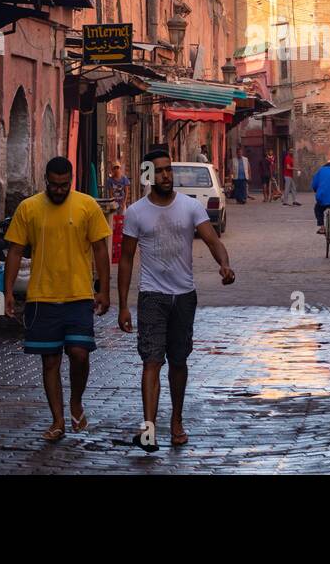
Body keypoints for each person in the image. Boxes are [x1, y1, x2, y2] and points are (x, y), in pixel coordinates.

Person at [118, 150, 235, 451]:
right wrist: (121, 305)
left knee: (179, 361)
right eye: (158, 171)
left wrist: (224, 263)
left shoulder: (191, 207)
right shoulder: (135, 212)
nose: (166, 175)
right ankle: (149, 428)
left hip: (184, 296)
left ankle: (177, 421)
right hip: (152, 297)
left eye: (168, 170)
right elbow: (127, 259)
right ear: (147, 175)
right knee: (151, 361)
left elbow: (212, 240)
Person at [3, 156, 111, 442]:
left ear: (71, 180)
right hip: (42, 297)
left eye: (64, 185)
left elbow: (101, 249)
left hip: (79, 295)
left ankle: (76, 401)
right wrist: (7, 291)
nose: (59, 190)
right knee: (49, 361)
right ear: (46, 181)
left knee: (79, 354)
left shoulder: (87, 206)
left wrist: (104, 290)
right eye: (54, 185)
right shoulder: (28, 208)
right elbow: (15, 251)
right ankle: (58, 420)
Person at [107, 162, 131, 264]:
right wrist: (113, 203)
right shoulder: (110, 180)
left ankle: (122, 240)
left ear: (120, 168)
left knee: (123, 222)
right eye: (115, 168)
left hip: (122, 203)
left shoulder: (124, 179)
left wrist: (124, 203)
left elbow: (126, 192)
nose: (117, 169)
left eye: (118, 167)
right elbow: (111, 193)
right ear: (112, 169)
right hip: (114, 203)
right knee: (114, 223)